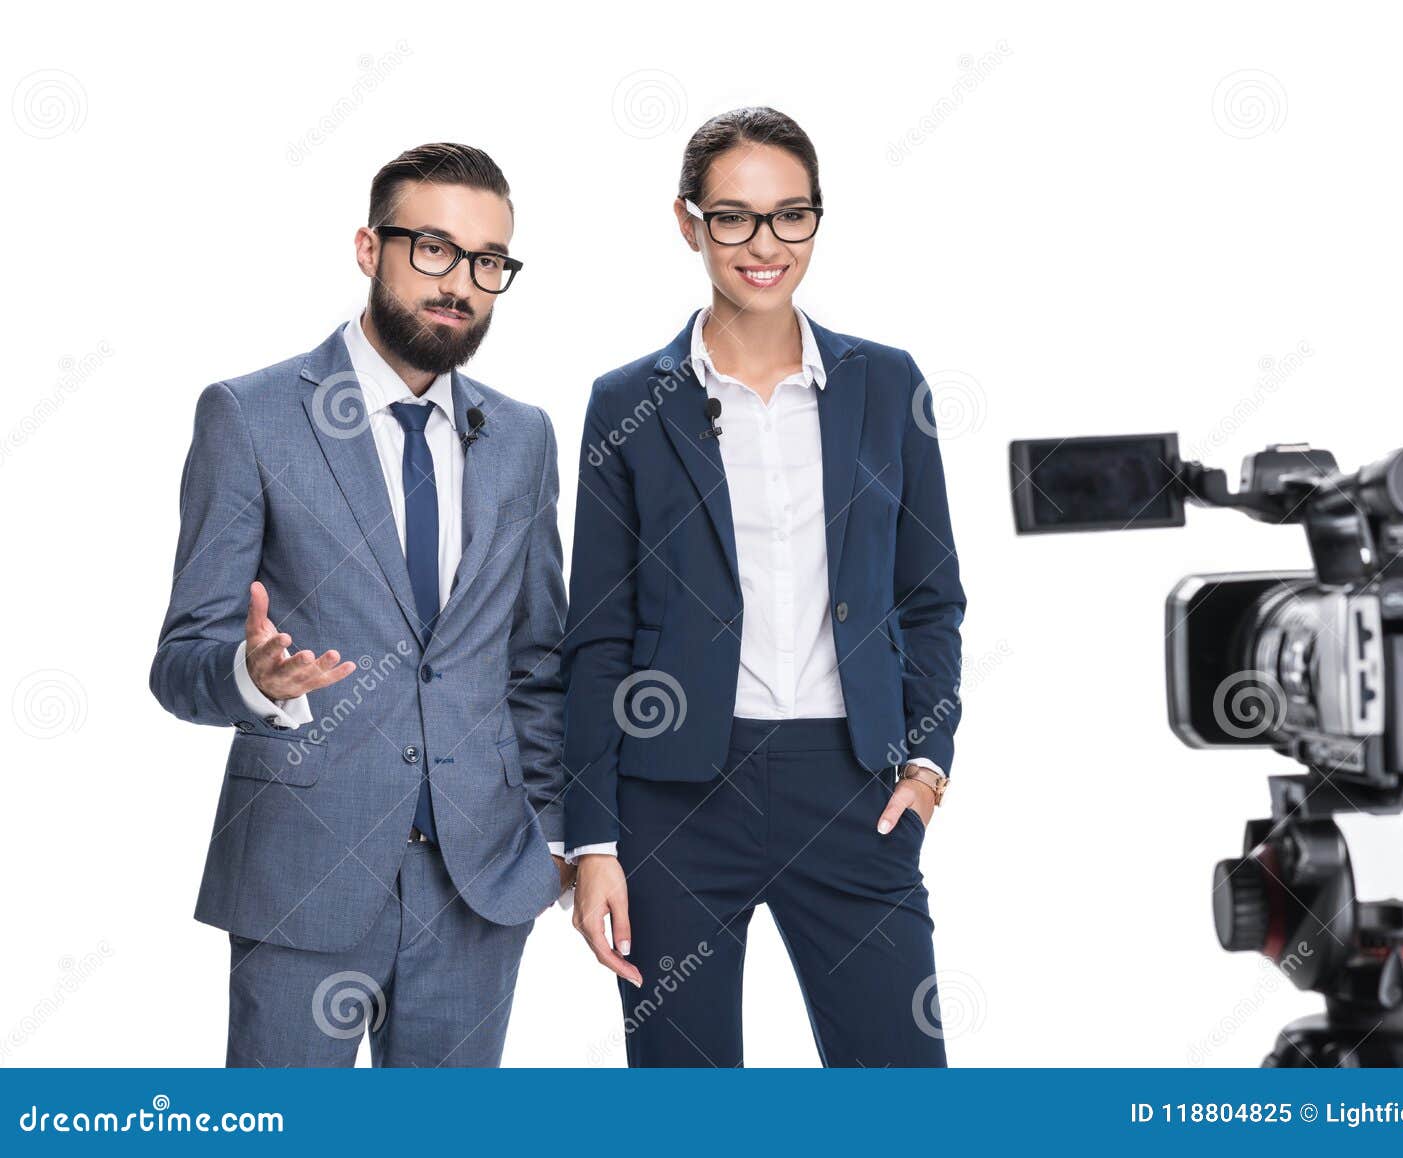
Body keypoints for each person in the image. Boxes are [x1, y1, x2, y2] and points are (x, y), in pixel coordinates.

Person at [149, 143, 571, 1066]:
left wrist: (546, 838)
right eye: (434, 248)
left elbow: (539, 660)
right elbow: (180, 659)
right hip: (302, 875)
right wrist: (250, 677)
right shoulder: (250, 416)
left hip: (480, 885)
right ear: (368, 248)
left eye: (488, 262)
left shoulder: (523, 437)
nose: (459, 282)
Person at [563, 107, 965, 1067]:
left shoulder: (886, 384)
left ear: (817, 218)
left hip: (854, 787)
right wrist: (593, 843)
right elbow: (598, 633)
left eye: (791, 215)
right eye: (734, 218)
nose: (765, 244)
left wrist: (926, 766)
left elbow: (930, 597)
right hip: (675, 802)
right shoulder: (628, 402)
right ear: (688, 223)